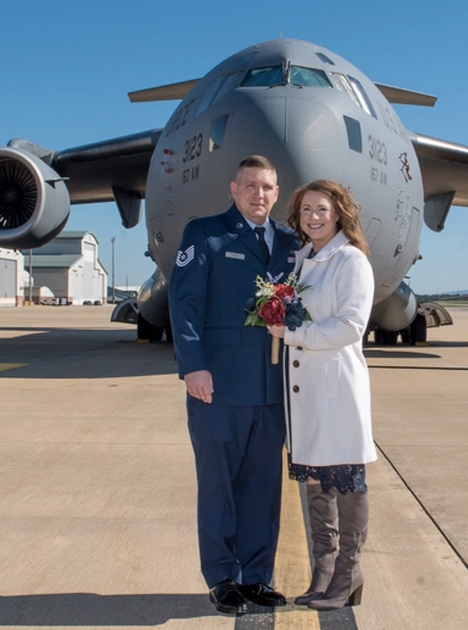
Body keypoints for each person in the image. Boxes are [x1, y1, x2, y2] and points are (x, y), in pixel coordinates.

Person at [169, 155, 302, 615]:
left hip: (272, 387)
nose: (258, 194)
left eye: (266, 187)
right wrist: (192, 367)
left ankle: (257, 576)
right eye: (249, 186)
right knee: (218, 485)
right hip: (218, 386)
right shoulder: (205, 234)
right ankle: (222, 577)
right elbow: (185, 305)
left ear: (277, 193)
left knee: (263, 487)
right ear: (233, 189)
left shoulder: (291, 242)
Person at [267, 179, 376, 610]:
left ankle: (349, 572)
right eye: (306, 210)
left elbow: (351, 326)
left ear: (338, 214)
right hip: (305, 390)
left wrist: (294, 333)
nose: (313, 217)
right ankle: (325, 572)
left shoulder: (350, 260)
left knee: (345, 481)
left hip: (335, 388)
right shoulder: (302, 260)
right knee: (316, 481)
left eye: (322, 209)